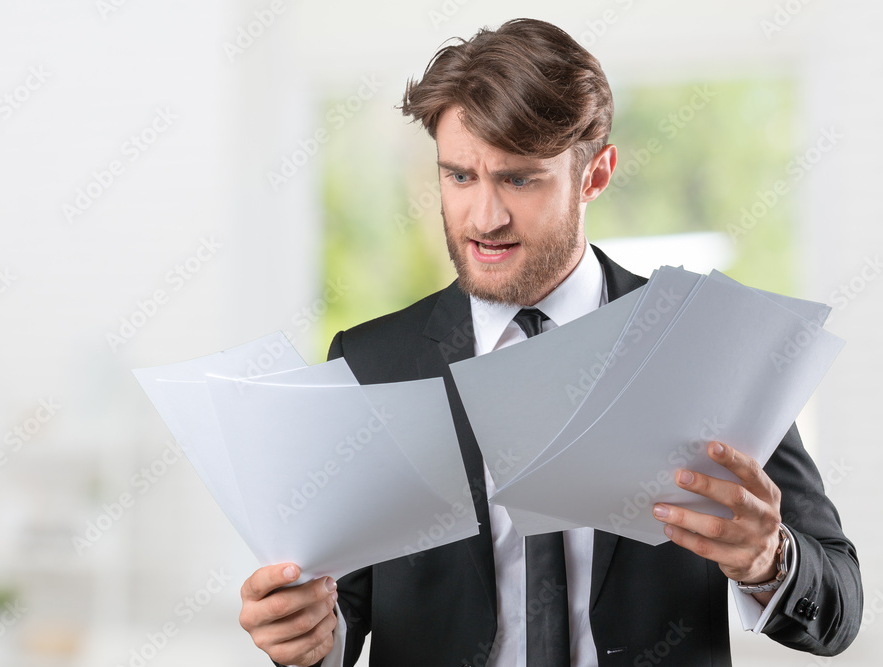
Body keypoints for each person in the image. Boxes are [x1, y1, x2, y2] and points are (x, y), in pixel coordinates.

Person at [238, 18, 863, 667]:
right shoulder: (372, 363)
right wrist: (310, 634)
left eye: (519, 179)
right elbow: (345, 611)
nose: (485, 217)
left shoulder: (707, 341)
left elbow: (839, 608)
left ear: (595, 174)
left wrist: (770, 560)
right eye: (459, 176)